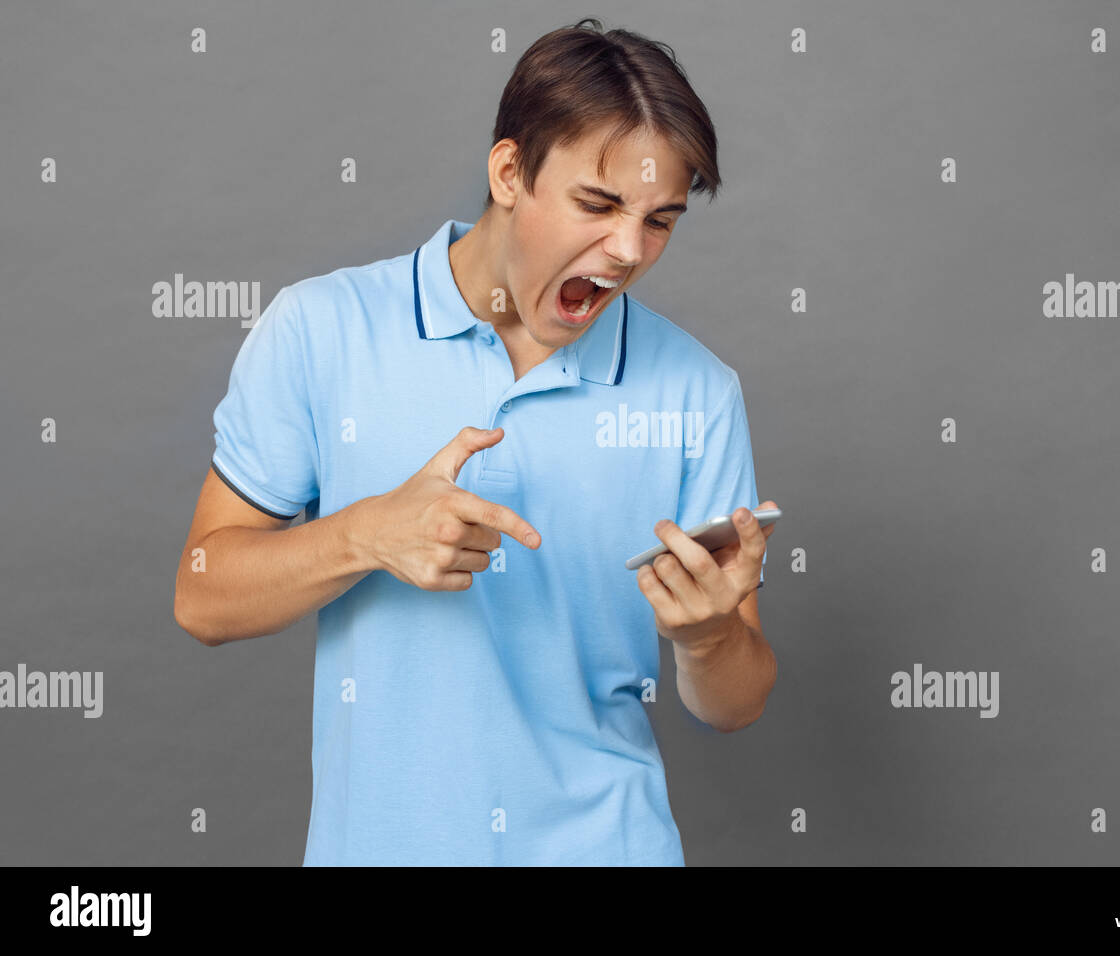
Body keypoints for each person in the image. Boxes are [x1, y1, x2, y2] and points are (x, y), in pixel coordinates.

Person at [173, 17, 778, 866]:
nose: (629, 250)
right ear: (508, 173)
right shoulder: (320, 329)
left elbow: (736, 703)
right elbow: (202, 599)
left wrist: (711, 639)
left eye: (661, 220)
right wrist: (363, 535)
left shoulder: (698, 392)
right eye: (598, 206)